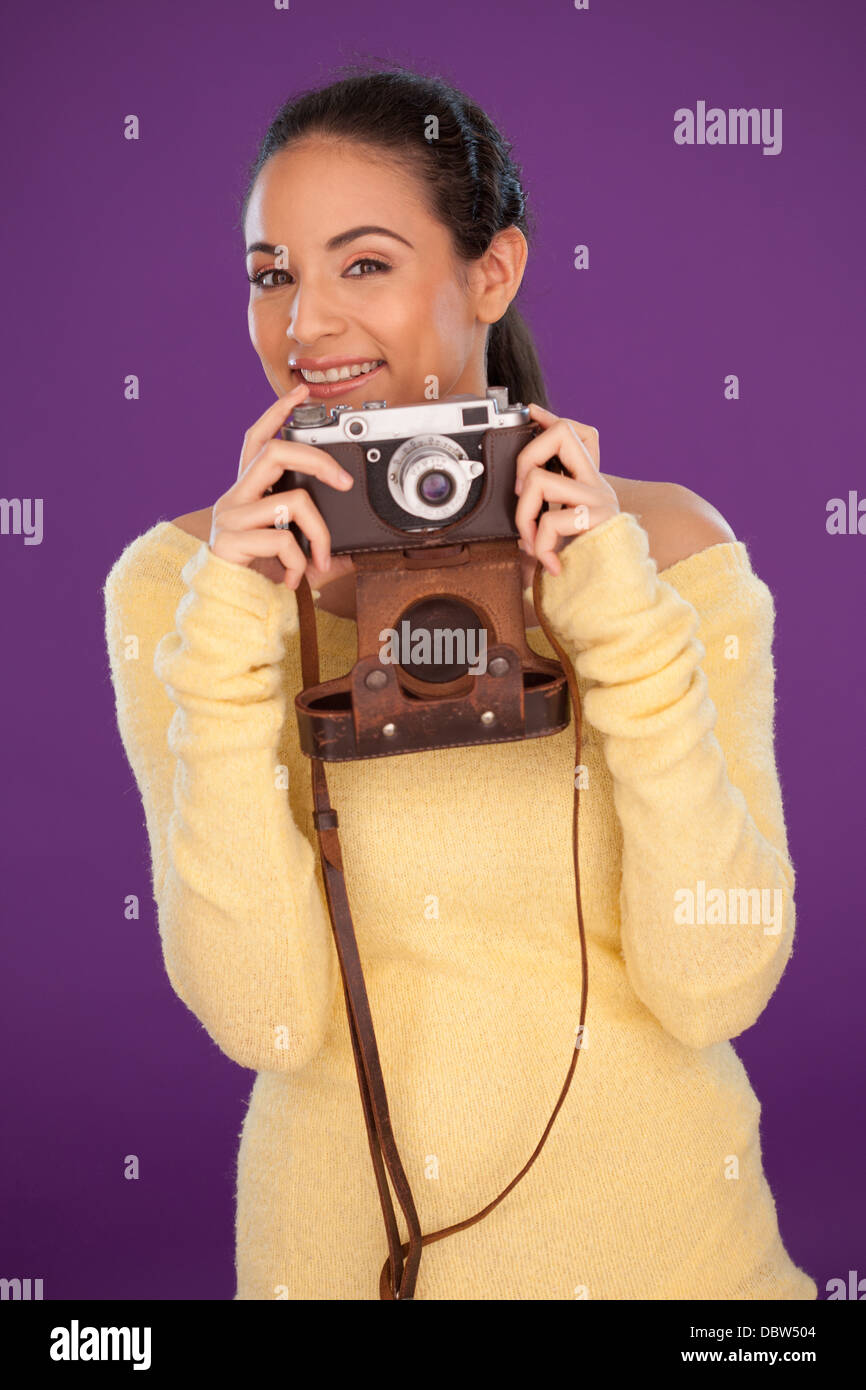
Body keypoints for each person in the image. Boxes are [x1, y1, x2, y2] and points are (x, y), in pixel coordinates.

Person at [103, 64, 817, 1300]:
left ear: (493, 272)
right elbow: (264, 1020)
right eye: (273, 274)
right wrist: (231, 629)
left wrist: (613, 605)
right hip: (346, 1259)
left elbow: (717, 984)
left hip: (676, 1272)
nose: (306, 324)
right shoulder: (182, 586)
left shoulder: (668, 550)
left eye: (362, 264)